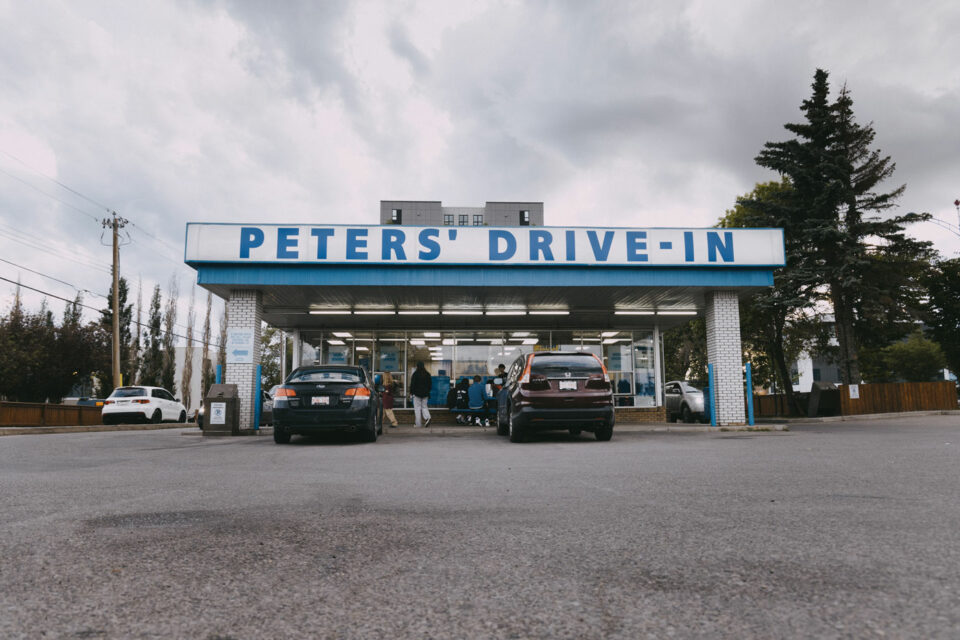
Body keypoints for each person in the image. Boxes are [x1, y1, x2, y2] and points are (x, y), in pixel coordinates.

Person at [409, 361, 432, 428]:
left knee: (417, 409)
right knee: (424, 407)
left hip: (417, 394)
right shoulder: (427, 374)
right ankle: (428, 417)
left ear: (417, 366)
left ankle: (418, 424)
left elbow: (412, 384)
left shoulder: (415, 374)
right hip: (425, 394)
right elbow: (430, 385)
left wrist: (411, 392)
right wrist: (427, 391)